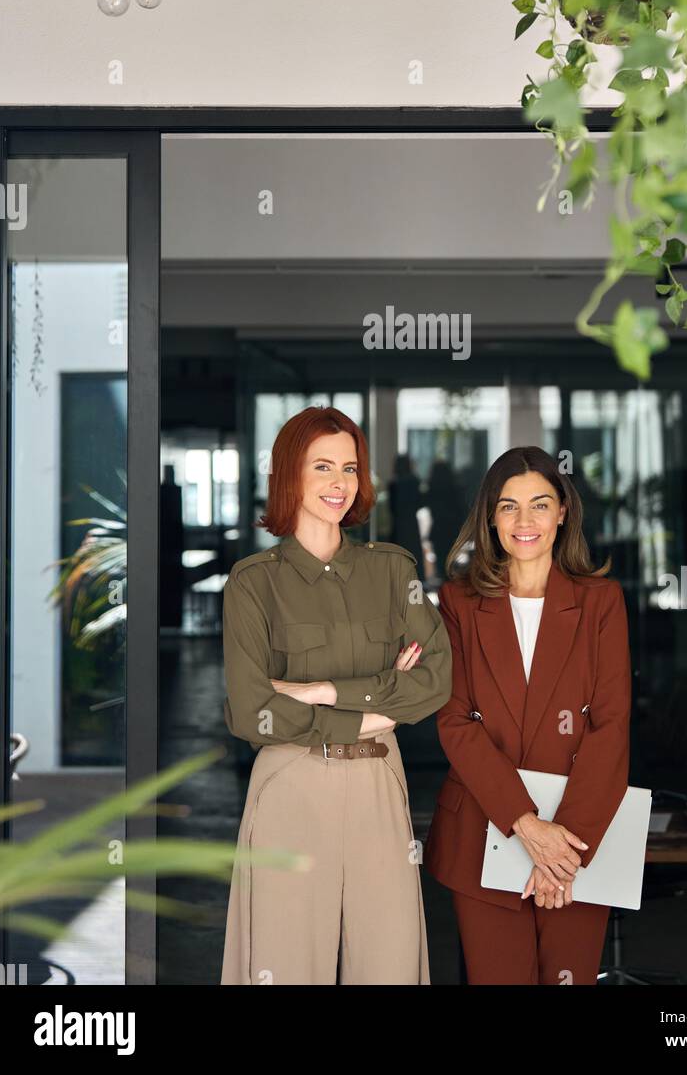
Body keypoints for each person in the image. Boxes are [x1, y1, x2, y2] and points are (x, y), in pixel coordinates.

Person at [220, 406, 452, 985]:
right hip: (291, 785)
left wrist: (322, 691)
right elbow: (253, 713)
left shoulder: (396, 571)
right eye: (321, 466)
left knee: (390, 965)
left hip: (380, 786)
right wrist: (374, 714)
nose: (339, 483)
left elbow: (435, 681)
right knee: (287, 964)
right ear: (289, 476)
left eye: (349, 468)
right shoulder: (253, 584)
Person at [423, 445, 631, 985]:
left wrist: (563, 849)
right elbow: (455, 722)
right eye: (508, 506)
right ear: (490, 517)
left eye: (540, 504)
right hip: (484, 835)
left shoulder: (601, 602)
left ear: (564, 512)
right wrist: (528, 826)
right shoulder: (459, 603)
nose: (524, 521)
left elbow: (610, 727)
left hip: (580, 839)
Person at [387, 453, 426, 581]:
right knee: (413, 554)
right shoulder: (414, 482)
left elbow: (391, 507)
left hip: (398, 524)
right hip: (411, 524)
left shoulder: (393, 484)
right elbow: (420, 503)